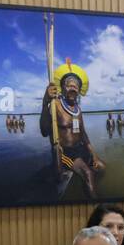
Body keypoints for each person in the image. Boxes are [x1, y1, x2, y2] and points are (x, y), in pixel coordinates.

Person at [39, 61, 104, 199]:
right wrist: (45, 102)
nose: (73, 88)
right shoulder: (55, 104)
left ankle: (87, 187)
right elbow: (44, 131)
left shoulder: (78, 110)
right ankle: (95, 205)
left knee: (102, 167)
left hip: (80, 149)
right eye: (69, 85)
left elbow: (84, 134)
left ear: (79, 91)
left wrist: (94, 154)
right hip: (65, 153)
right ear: (62, 88)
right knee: (88, 173)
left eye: (76, 86)